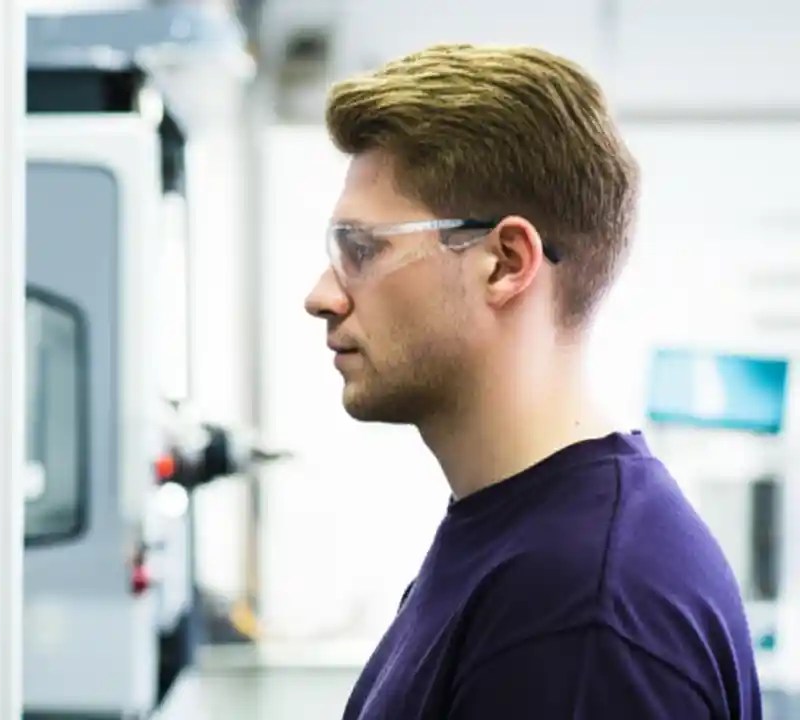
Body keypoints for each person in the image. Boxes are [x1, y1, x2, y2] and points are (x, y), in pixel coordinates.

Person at [303, 43, 761, 719]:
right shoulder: (518, 545)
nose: (322, 295)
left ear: (504, 263)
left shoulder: (579, 613)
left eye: (362, 250)